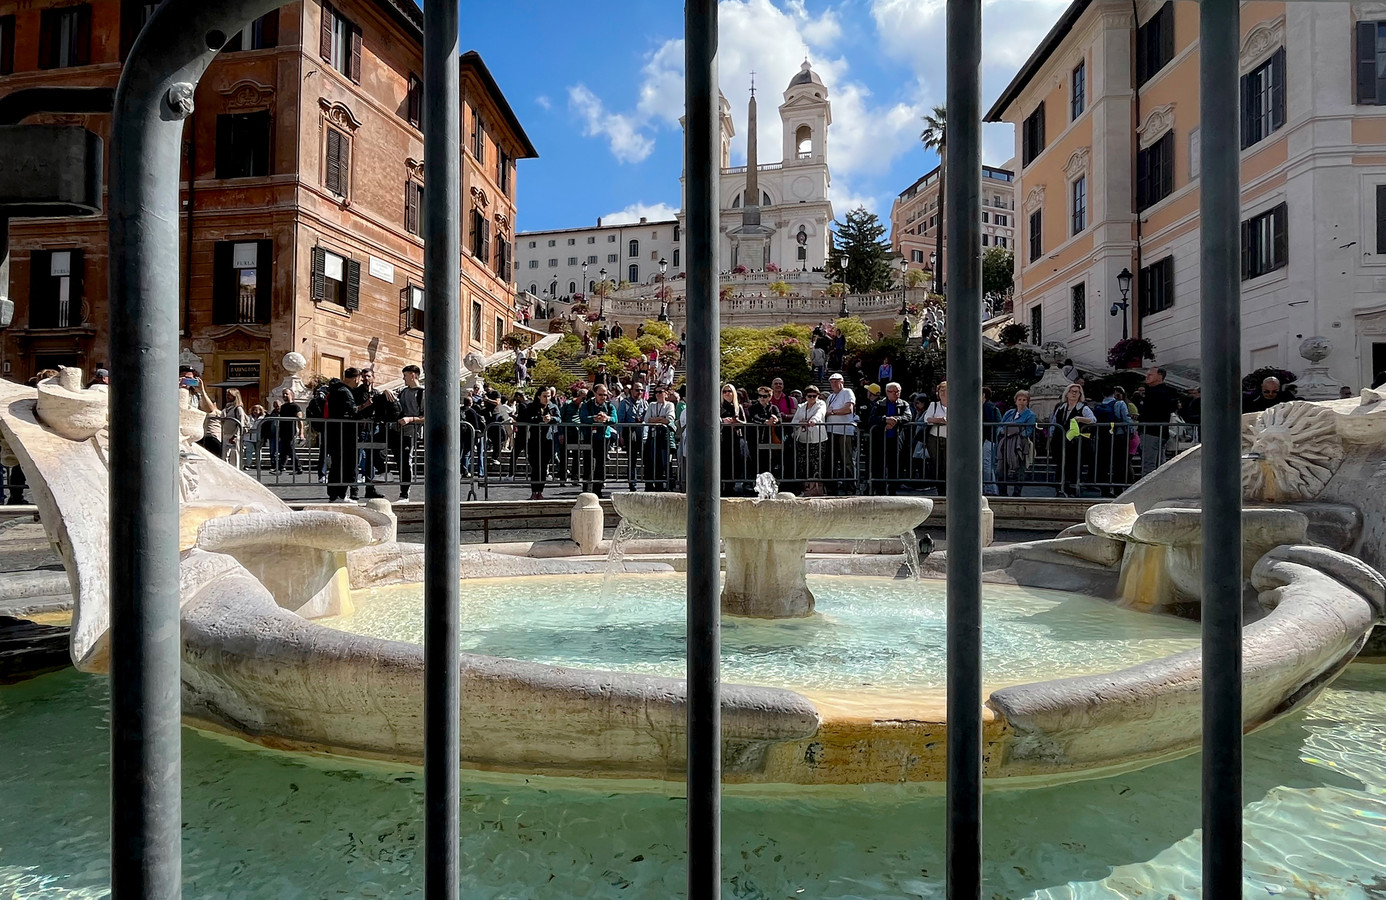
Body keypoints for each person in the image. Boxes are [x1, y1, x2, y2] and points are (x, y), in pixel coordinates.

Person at [323, 368, 369, 502]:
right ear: (356, 378)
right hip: (345, 433)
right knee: (346, 464)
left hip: (337, 432)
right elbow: (352, 410)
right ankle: (339, 494)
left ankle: (336, 494)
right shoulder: (344, 392)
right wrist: (365, 406)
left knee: (339, 464)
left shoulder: (335, 389)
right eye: (359, 379)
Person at [1050, 383, 1096, 497]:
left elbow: (1093, 419)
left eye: (1077, 391)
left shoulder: (1083, 407)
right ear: (1067, 393)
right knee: (1061, 464)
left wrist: (1080, 419)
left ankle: (1073, 488)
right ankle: (1060, 487)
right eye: (1072, 391)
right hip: (1060, 441)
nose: (1074, 393)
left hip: (1075, 442)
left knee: (1074, 465)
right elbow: (1054, 422)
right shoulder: (1061, 407)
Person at [868, 382, 912, 495]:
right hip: (880, 440)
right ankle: (879, 491)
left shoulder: (904, 404)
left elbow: (908, 416)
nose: (896, 393)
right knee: (879, 465)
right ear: (887, 392)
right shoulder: (879, 404)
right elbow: (872, 419)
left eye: (898, 391)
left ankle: (893, 490)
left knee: (895, 465)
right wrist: (885, 420)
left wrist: (895, 420)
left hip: (896, 439)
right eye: (893, 391)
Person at [1092, 385, 1134, 495]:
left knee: (1103, 464)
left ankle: (1104, 490)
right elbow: (1126, 419)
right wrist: (1131, 432)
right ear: (1114, 393)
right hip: (1118, 436)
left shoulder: (1098, 406)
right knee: (1119, 463)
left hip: (1103, 436)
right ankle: (1118, 489)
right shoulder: (1119, 404)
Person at [519, 386, 558, 499]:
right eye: (544, 396)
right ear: (539, 396)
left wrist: (551, 419)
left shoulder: (553, 406)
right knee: (535, 466)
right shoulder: (531, 406)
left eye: (549, 396)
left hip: (547, 440)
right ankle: (534, 491)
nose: (547, 398)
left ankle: (540, 491)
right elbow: (527, 418)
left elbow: (559, 418)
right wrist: (541, 419)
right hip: (534, 440)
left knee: (543, 467)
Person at [1139, 367, 1178, 477]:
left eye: (1150, 375)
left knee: (1149, 462)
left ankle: (1148, 488)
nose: (1147, 377)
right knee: (1158, 461)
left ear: (1160, 376)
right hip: (1158, 431)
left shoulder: (1159, 393)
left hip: (1152, 430)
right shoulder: (1161, 392)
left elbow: (1155, 409)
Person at [789, 385, 828, 495]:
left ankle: (816, 489)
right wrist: (801, 422)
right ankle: (805, 489)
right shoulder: (801, 407)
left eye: (814, 396)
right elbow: (794, 421)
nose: (812, 398)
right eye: (809, 396)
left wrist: (813, 421)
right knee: (802, 465)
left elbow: (819, 414)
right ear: (805, 397)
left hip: (818, 439)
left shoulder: (821, 404)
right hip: (802, 439)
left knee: (816, 464)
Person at [997, 390, 1037, 496]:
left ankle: (1017, 492)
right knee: (1000, 469)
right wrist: (1004, 431)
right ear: (1016, 401)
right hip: (1005, 442)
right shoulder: (1009, 413)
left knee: (1020, 469)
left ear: (1027, 402)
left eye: (1024, 400)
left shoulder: (1030, 415)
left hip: (1020, 443)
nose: (1021, 402)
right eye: (1019, 400)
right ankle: (1002, 492)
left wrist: (1016, 431)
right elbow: (1001, 425)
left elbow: (1028, 430)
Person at [579, 384, 616, 497]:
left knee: (601, 464)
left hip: (603, 437)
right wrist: (594, 418)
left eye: (605, 395)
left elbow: (615, 418)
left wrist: (606, 418)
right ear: (595, 394)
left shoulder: (609, 406)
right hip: (589, 437)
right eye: (600, 394)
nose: (603, 397)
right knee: (588, 464)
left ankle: (597, 491)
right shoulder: (587, 404)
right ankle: (586, 490)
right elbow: (583, 417)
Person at [393, 365, 423, 500]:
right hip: (398, 430)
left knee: (405, 461)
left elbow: (427, 416)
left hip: (411, 432)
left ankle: (404, 493)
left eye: (405, 376)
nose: (403, 379)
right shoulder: (403, 392)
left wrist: (410, 419)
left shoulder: (423, 393)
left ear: (412, 375)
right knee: (400, 461)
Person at [823, 373, 856, 494]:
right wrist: (832, 412)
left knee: (846, 460)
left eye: (836, 381)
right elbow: (825, 412)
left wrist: (832, 412)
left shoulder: (847, 392)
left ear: (842, 382)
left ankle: (850, 487)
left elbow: (848, 409)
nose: (834, 384)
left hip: (844, 431)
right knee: (832, 461)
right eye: (832, 382)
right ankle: (833, 488)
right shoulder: (830, 396)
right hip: (831, 431)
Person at [746, 385, 783, 481]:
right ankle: (753, 483)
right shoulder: (753, 407)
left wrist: (775, 420)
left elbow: (780, 419)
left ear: (770, 397)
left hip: (769, 438)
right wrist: (765, 422)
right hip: (755, 438)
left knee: (769, 462)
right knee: (755, 461)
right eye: (760, 396)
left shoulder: (774, 408)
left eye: (765, 396)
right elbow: (754, 418)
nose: (762, 398)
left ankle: (768, 482)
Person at [642, 385, 676, 491]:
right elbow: (647, 419)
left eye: (660, 392)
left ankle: (668, 485)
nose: (657, 394)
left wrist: (655, 420)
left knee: (665, 462)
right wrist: (661, 419)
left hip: (664, 436)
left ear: (665, 393)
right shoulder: (652, 405)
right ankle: (657, 485)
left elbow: (669, 419)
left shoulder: (669, 405)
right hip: (653, 436)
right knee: (654, 461)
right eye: (656, 392)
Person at [617, 383, 649, 491]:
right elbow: (620, 420)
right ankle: (632, 485)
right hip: (630, 434)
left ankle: (648, 484)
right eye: (636, 390)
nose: (639, 392)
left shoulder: (645, 403)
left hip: (642, 434)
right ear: (631, 391)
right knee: (632, 460)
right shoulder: (624, 403)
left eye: (641, 390)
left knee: (647, 459)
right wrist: (620, 436)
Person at [719, 383, 747, 495]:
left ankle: (731, 486)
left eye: (729, 391)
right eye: (724, 391)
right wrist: (723, 421)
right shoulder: (718, 406)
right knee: (723, 461)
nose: (727, 393)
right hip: (722, 437)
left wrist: (736, 421)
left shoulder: (737, 407)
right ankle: (722, 486)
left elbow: (744, 422)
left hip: (735, 437)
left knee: (735, 462)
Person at [923, 381, 949, 493]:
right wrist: (939, 420)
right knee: (937, 463)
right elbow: (927, 419)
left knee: (948, 463)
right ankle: (940, 488)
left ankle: (948, 488)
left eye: (945, 390)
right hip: (934, 438)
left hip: (950, 439)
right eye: (941, 391)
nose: (942, 393)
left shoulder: (956, 405)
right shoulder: (933, 405)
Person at [273, 388, 305, 475]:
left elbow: (300, 420)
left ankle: (297, 467)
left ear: (291, 395)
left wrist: (301, 433)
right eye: (283, 394)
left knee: (289, 449)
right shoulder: (282, 407)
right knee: (284, 450)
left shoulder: (295, 407)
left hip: (291, 431)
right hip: (283, 431)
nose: (284, 395)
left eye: (286, 394)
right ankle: (280, 468)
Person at [219, 388, 251, 467]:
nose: (227, 397)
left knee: (234, 458)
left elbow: (241, 423)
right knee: (224, 457)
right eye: (227, 395)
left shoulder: (238, 409)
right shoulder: (226, 408)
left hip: (234, 436)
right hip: (225, 434)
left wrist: (235, 436)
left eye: (230, 395)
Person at [981, 387, 1001, 496]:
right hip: (988, 439)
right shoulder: (989, 406)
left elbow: (988, 424)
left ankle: (990, 488)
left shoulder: (987, 407)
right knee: (987, 463)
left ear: (984, 395)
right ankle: (991, 488)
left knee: (986, 464)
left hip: (987, 439)